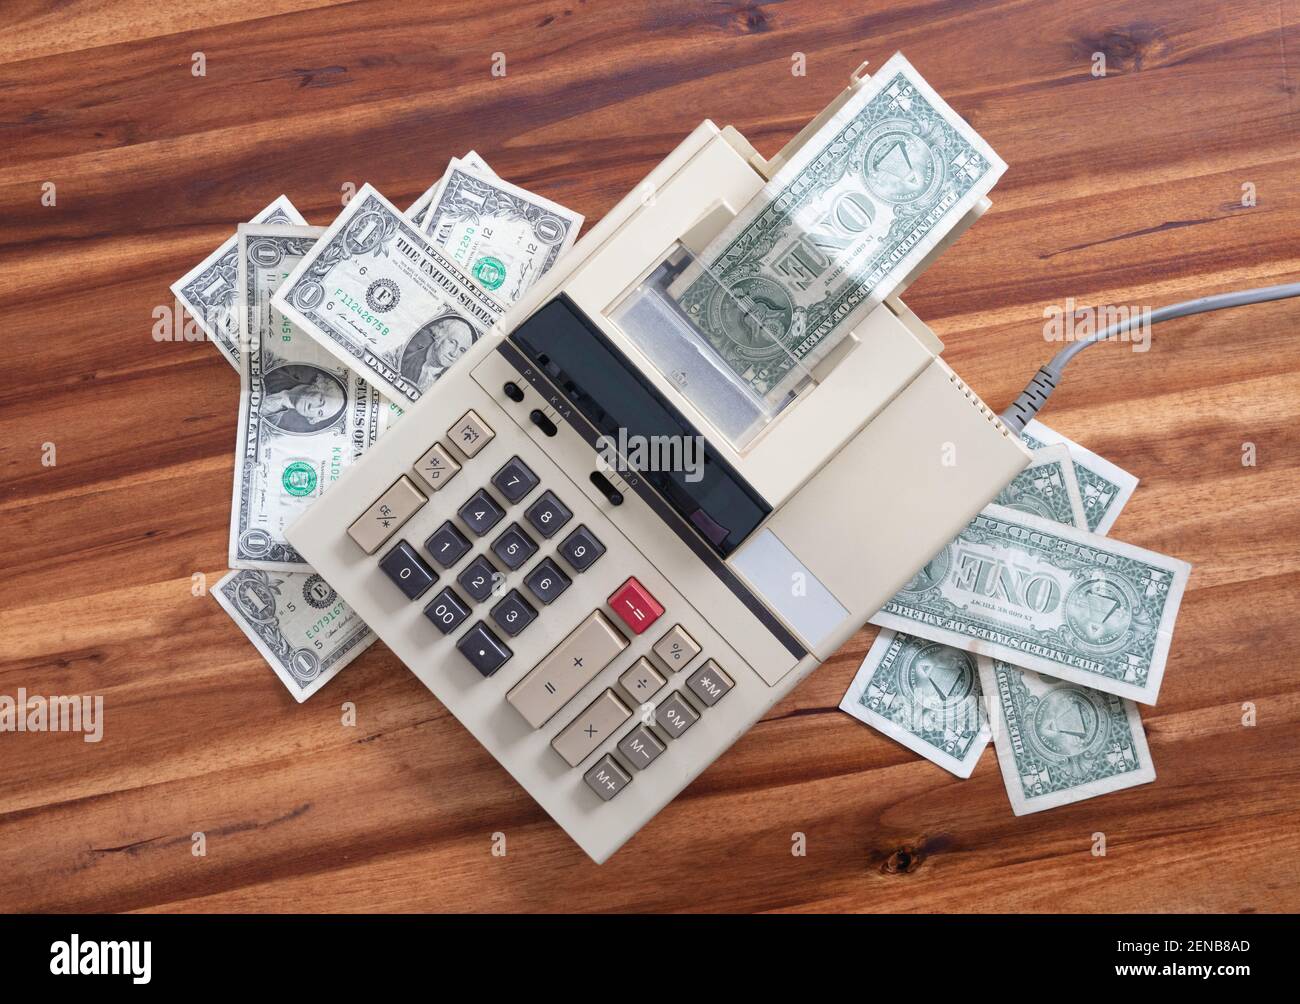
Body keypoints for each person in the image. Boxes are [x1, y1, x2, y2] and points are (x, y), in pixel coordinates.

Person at [261, 365, 347, 434]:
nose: (312, 408)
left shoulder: (275, 427)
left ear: (314, 418)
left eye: (319, 412)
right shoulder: (279, 371)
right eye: (320, 401)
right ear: (318, 386)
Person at [401, 315, 476, 391]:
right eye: (452, 342)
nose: (454, 354)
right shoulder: (404, 357)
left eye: (462, 350)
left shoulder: (452, 386)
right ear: (439, 337)